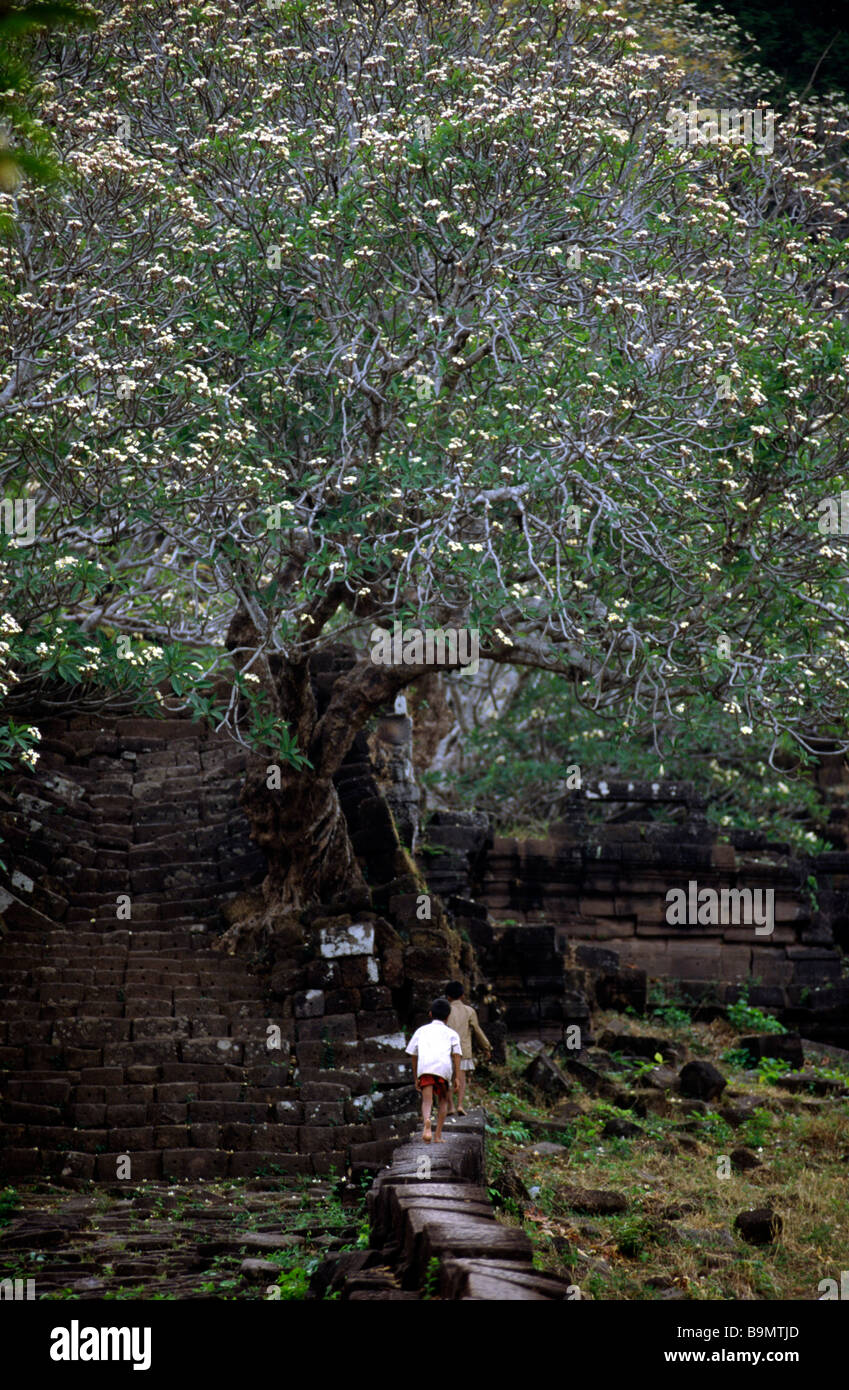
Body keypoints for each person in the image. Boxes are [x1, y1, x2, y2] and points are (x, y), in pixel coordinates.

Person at [405, 998, 462, 1143]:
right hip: (444, 1069)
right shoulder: (452, 1033)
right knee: (443, 1100)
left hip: (425, 1067)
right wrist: (456, 1077)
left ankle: (427, 1123)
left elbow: (413, 1054)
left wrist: (416, 1076)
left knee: (427, 1101)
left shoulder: (421, 1031)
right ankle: (437, 1135)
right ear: (448, 1016)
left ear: (430, 1014)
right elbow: (457, 1055)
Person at [445, 981, 491, 1116]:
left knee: (447, 1079)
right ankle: (460, 1105)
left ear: (448, 996)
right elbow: (477, 1031)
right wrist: (486, 1047)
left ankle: (451, 1107)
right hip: (463, 1050)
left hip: (446, 1051)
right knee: (461, 1078)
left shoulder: (445, 1010)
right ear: (463, 995)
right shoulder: (469, 1011)